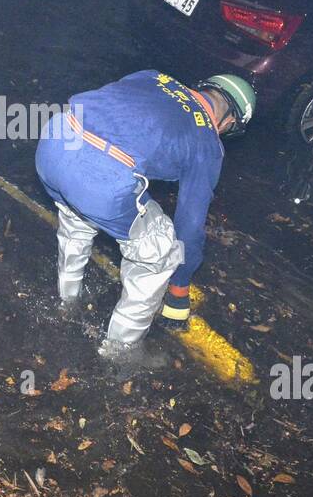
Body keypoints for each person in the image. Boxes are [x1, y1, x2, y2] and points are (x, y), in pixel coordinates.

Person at [35, 70, 256, 365]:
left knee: (77, 218)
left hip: (54, 141)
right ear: (229, 121)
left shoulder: (155, 76)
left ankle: (66, 302)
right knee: (160, 253)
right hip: (101, 179)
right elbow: (189, 226)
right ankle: (120, 354)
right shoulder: (208, 144)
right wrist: (179, 284)